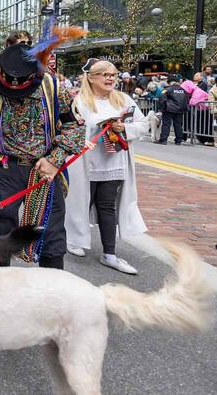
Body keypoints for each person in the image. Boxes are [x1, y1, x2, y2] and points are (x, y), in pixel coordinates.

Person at [0, 42, 84, 270]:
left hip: (44, 169)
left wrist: (55, 159)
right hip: (4, 168)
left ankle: (54, 291)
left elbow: (75, 126)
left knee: (51, 233)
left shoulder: (53, 87)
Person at [66, 60, 150, 274]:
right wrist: (79, 141)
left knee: (107, 206)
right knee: (82, 202)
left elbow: (142, 125)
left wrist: (124, 128)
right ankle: (74, 238)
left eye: (113, 74)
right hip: (86, 163)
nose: (110, 78)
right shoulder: (80, 101)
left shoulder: (124, 100)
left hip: (113, 162)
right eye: (104, 74)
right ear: (91, 77)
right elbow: (69, 128)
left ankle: (110, 253)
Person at [156, 75, 189, 145]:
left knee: (166, 124)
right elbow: (187, 99)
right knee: (178, 125)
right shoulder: (183, 90)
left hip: (169, 109)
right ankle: (178, 140)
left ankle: (163, 139)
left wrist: (161, 108)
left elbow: (161, 97)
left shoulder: (167, 89)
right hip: (180, 109)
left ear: (169, 82)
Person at [183, 74, 212, 145]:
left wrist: (188, 102)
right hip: (201, 110)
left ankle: (206, 140)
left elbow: (193, 102)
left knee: (203, 125)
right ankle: (202, 139)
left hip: (204, 110)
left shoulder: (197, 91)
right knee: (201, 125)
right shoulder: (195, 90)